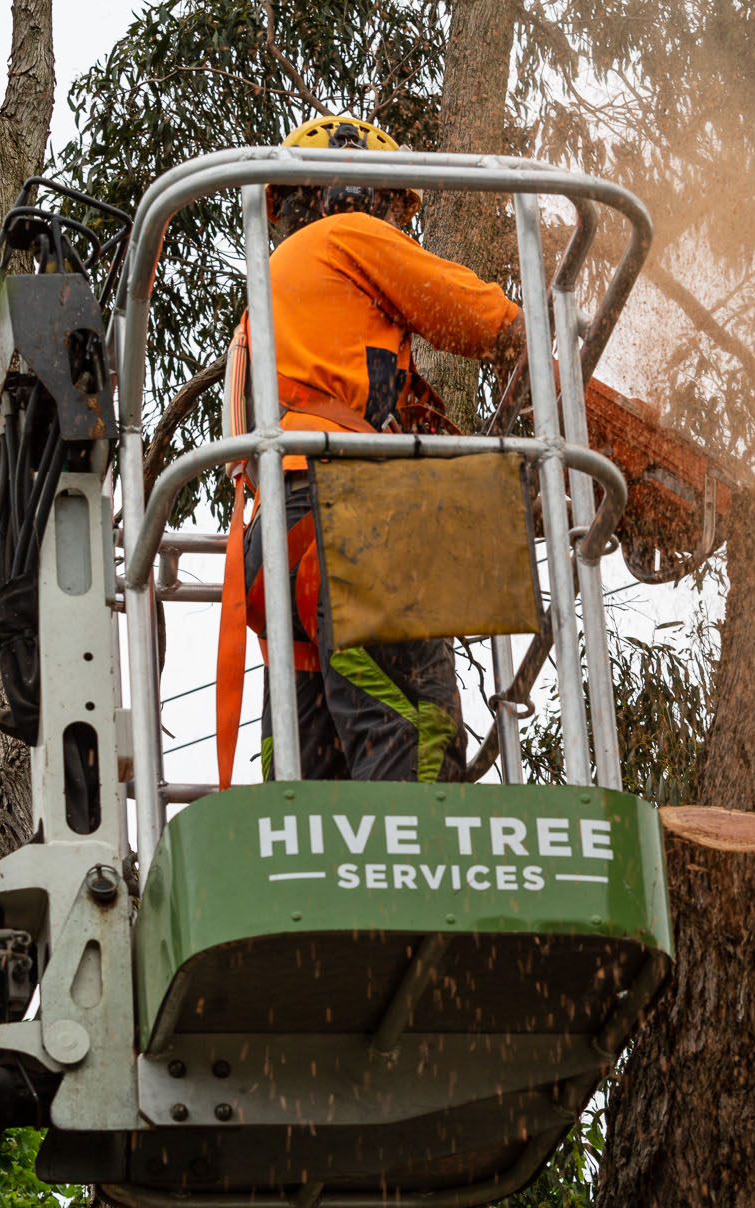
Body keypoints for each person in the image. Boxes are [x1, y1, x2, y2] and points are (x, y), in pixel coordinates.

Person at [214, 115, 526, 788]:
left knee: (308, 769)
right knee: (413, 734)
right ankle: (424, 885)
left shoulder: (275, 294)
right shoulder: (346, 234)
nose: (392, 221)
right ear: (356, 191)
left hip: (281, 537)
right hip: (351, 516)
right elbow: (468, 314)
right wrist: (523, 332)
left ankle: (311, 889)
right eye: (389, 204)